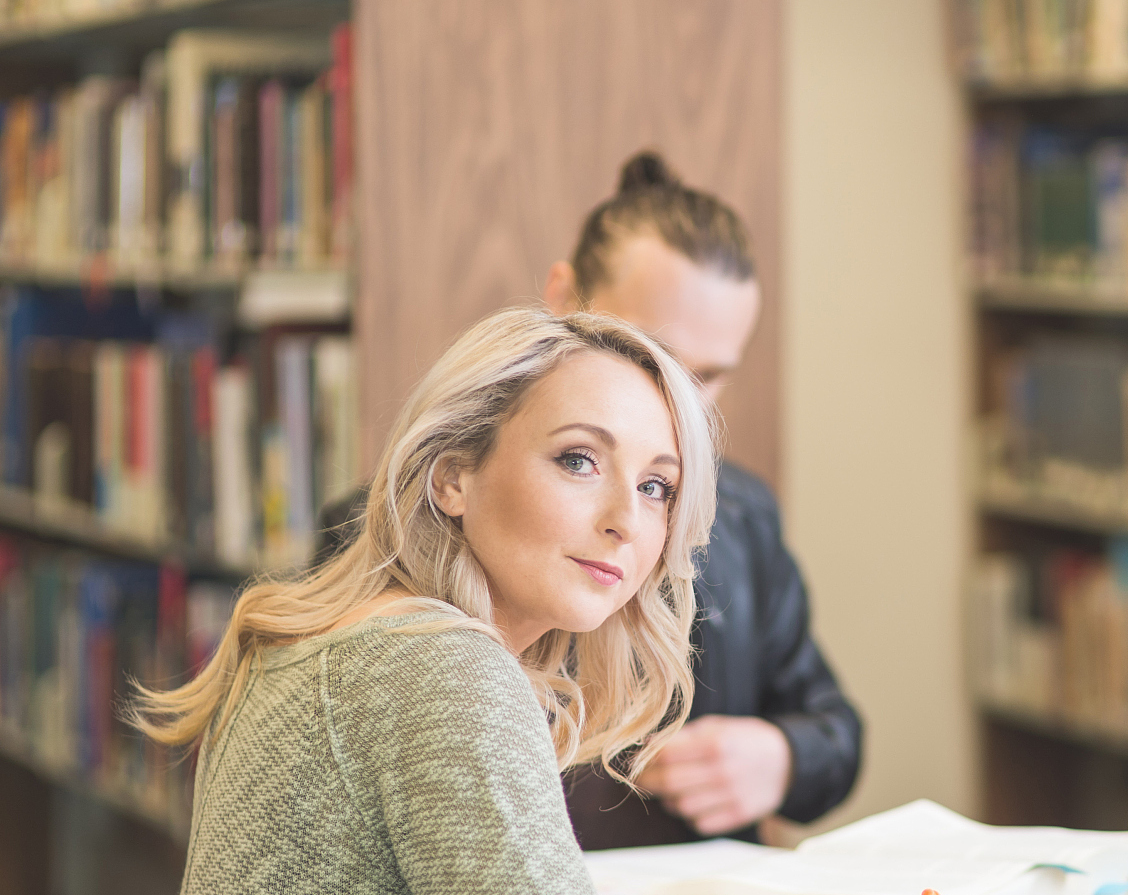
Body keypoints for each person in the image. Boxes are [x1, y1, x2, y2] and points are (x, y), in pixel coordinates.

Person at [107, 308, 1036, 895]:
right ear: (453, 474)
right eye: (578, 460)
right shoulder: (438, 669)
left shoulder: (324, 639)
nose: (625, 519)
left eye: (659, 485)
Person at [322, 151, 856, 847]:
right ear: (563, 302)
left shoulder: (744, 516)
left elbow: (834, 725)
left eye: (711, 377)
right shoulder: (385, 542)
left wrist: (781, 758)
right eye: (648, 353)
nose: (678, 402)